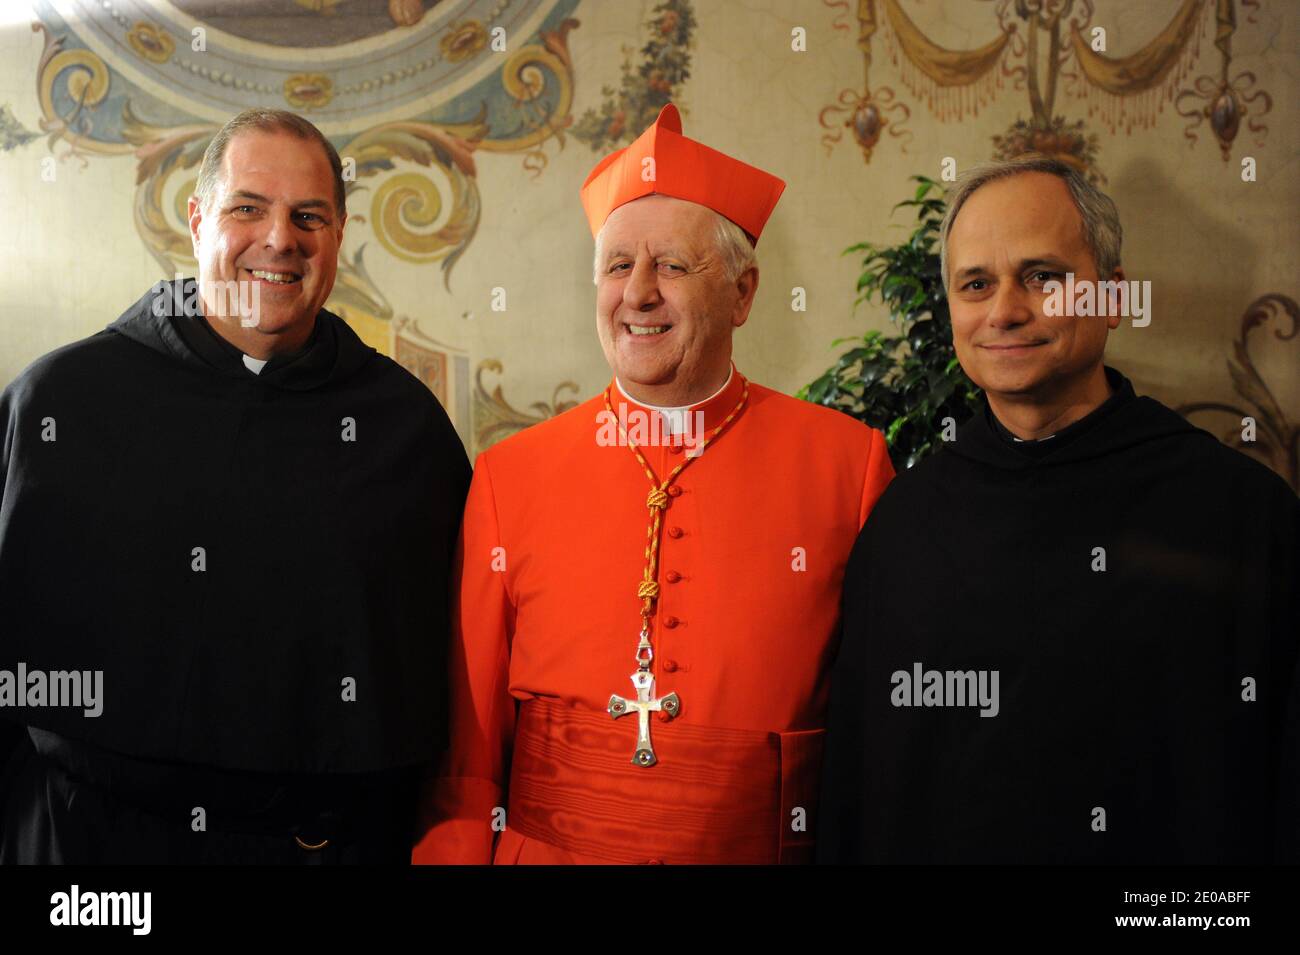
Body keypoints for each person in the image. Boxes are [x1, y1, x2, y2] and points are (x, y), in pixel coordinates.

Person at [412, 104, 894, 864]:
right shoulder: (510, 474)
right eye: (616, 265)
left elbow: (877, 746)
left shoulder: (848, 465)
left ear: (742, 294)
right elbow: (468, 760)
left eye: (671, 264)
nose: (637, 292)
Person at [0, 108, 471, 864]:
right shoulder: (60, 401)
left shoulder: (405, 429)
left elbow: (448, 676)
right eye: (247, 208)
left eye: (308, 215)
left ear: (338, 238)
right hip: (86, 850)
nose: (280, 239)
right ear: (197, 219)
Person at [818, 155, 1299, 864]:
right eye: (975, 284)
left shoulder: (1244, 515)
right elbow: (856, 795)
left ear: (1113, 294)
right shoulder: (901, 528)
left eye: (1044, 277)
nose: (1006, 310)